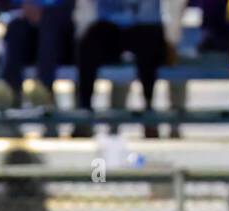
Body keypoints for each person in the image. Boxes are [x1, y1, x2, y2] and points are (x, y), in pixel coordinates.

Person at [73, 0, 180, 132]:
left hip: (145, 27)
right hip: (110, 26)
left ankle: (148, 106)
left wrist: (172, 39)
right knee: (88, 44)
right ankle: (85, 107)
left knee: (148, 44)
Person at [0, 0, 76, 109]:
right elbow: (2, 4)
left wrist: (41, 8)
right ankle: (8, 89)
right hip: (28, 29)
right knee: (15, 27)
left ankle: (44, 89)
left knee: (49, 23)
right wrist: (25, 4)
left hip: (61, 36)